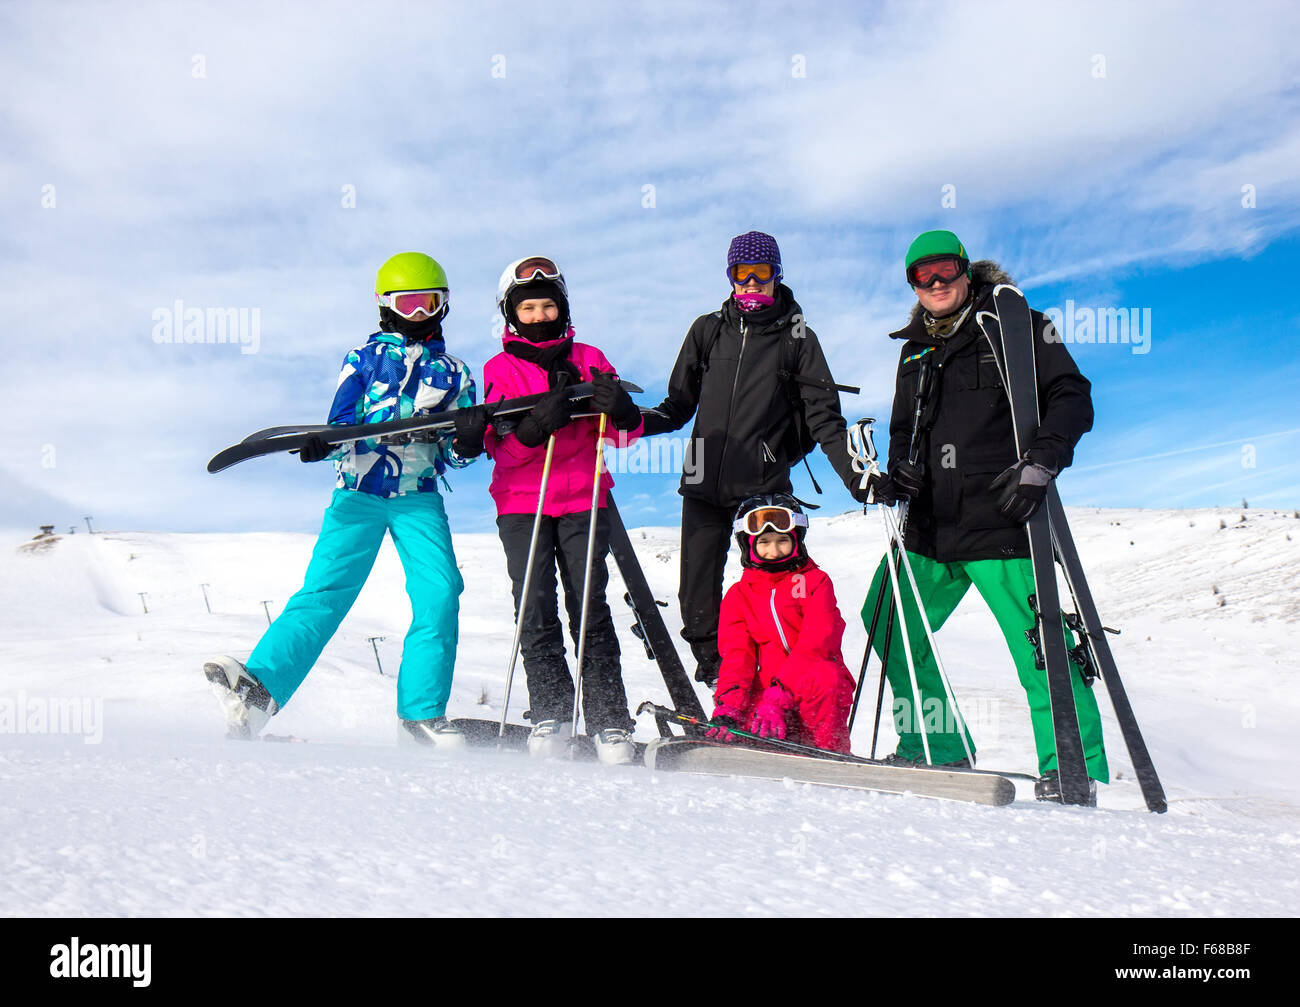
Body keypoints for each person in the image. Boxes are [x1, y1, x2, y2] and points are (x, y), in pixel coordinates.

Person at [861, 229, 1108, 803]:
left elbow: (1072, 394)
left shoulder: (1017, 323)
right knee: (887, 621)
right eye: (922, 275)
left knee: (1041, 649)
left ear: (966, 270)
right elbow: (904, 431)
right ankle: (935, 744)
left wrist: (1043, 461)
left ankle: (1074, 769)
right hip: (927, 526)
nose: (936, 282)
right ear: (913, 286)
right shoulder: (913, 350)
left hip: (1003, 521)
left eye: (945, 269)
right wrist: (901, 471)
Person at [204, 252, 478, 748]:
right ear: (385, 305)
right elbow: (342, 419)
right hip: (357, 494)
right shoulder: (363, 359)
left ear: (444, 306)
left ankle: (421, 716)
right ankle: (258, 693)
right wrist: (323, 442)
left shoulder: (455, 372)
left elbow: (458, 456)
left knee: (439, 594)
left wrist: (468, 440)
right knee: (326, 592)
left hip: (418, 498)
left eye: (429, 303)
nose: (419, 314)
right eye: (409, 303)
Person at [641, 231, 860, 689]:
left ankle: (787, 694)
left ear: (777, 276)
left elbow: (824, 419)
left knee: (774, 600)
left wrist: (855, 476)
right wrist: (625, 419)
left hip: (762, 490)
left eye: (763, 274)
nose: (753, 283)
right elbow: (675, 408)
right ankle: (725, 684)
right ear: (731, 277)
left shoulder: (800, 338)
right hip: (702, 483)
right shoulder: (708, 330)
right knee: (697, 597)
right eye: (743, 274)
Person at [463, 255, 644, 764]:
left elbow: (624, 437)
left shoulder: (589, 356)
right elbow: (501, 450)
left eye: (548, 306)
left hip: (585, 498)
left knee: (590, 606)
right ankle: (551, 710)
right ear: (511, 314)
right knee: (535, 607)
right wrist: (532, 428)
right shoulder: (499, 369)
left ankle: (609, 719)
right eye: (529, 307)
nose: (540, 315)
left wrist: (623, 413)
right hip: (523, 504)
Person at [707, 494, 855, 753]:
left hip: (811, 694)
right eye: (764, 542)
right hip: (766, 701)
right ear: (748, 544)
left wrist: (781, 694)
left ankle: (830, 756)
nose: (773, 551)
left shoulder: (816, 582)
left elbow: (817, 641)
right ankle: (751, 752)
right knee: (746, 716)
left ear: (796, 540)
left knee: (826, 677)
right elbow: (737, 656)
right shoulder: (739, 595)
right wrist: (728, 708)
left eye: (782, 541)